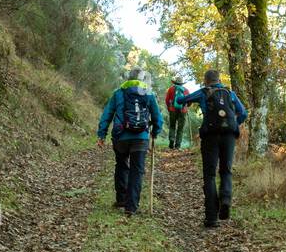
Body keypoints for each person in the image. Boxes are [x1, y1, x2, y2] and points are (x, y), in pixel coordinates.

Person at [176, 69, 247, 228]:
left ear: (206, 80)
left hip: (210, 136)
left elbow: (181, 100)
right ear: (219, 79)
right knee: (226, 171)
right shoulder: (230, 93)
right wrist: (234, 123)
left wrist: (182, 94)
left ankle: (211, 218)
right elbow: (243, 113)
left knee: (209, 175)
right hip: (229, 136)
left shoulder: (203, 92)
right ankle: (226, 199)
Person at [96, 69, 163, 216]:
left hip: (120, 137)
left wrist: (102, 134)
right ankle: (131, 207)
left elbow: (107, 114)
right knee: (137, 171)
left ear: (128, 78)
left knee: (121, 165)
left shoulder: (118, 92)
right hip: (140, 137)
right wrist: (155, 132)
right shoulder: (148, 94)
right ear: (142, 79)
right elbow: (158, 117)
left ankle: (121, 199)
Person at [164, 76, 189, 149]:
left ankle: (171, 141)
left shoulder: (171, 89)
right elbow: (189, 100)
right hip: (183, 111)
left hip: (172, 110)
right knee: (180, 128)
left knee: (172, 126)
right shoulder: (186, 90)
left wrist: (169, 108)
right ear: (182, 83)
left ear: (175, 82)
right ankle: (178, 145)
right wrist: (187, 107)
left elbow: (167, 100)